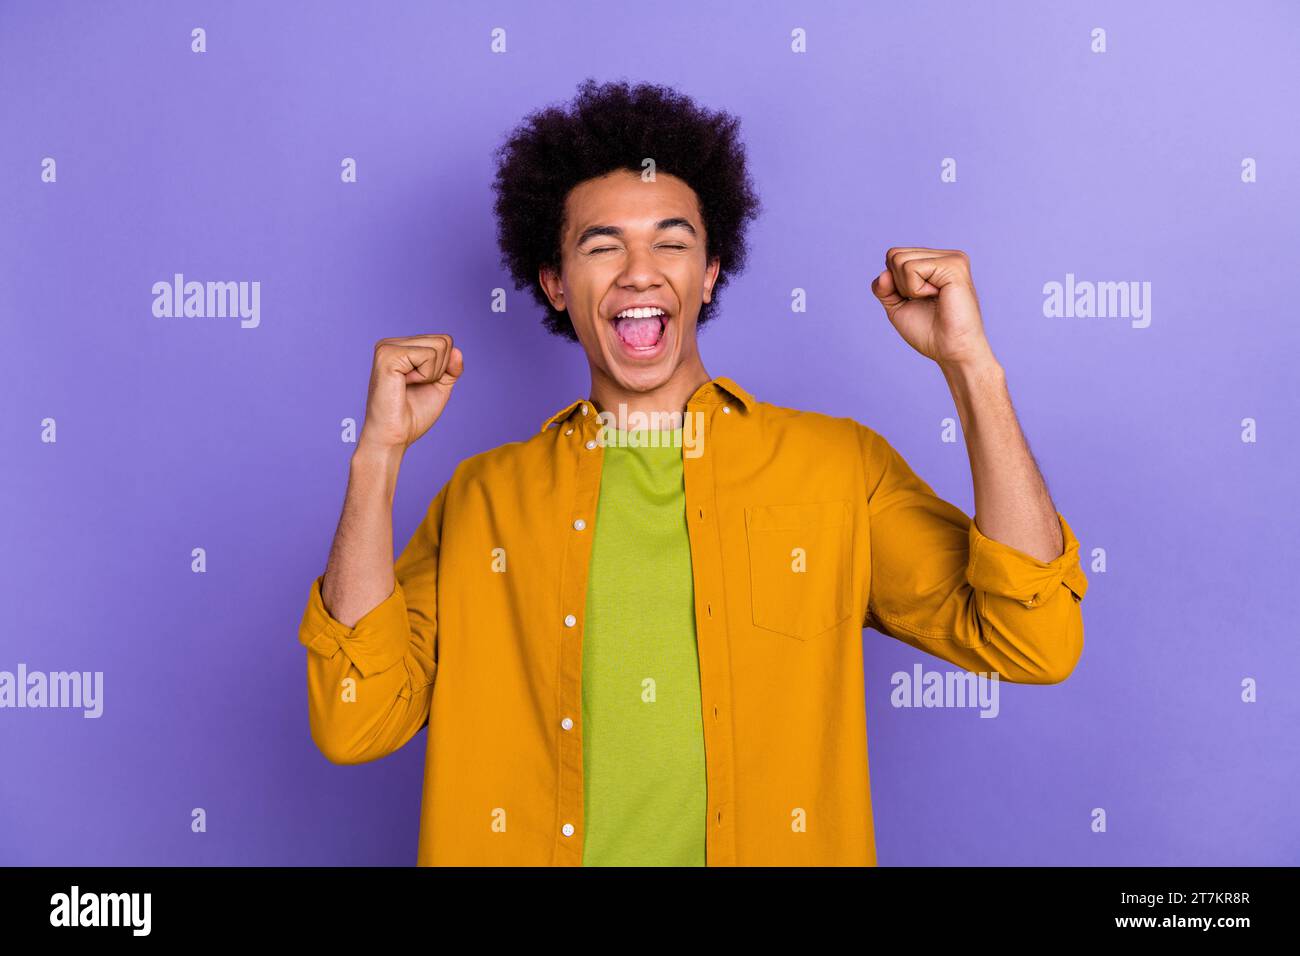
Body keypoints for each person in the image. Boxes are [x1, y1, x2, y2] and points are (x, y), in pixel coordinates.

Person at [297, 78, 1089, 867]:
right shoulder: (481, 500)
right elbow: (354, 718)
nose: (640, 270)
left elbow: (1034, 638)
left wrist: (972, 369)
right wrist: (378, 458)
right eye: (601, 245)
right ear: (555, 284)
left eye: (671, 242)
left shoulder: (837, 469)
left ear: (708, 274)